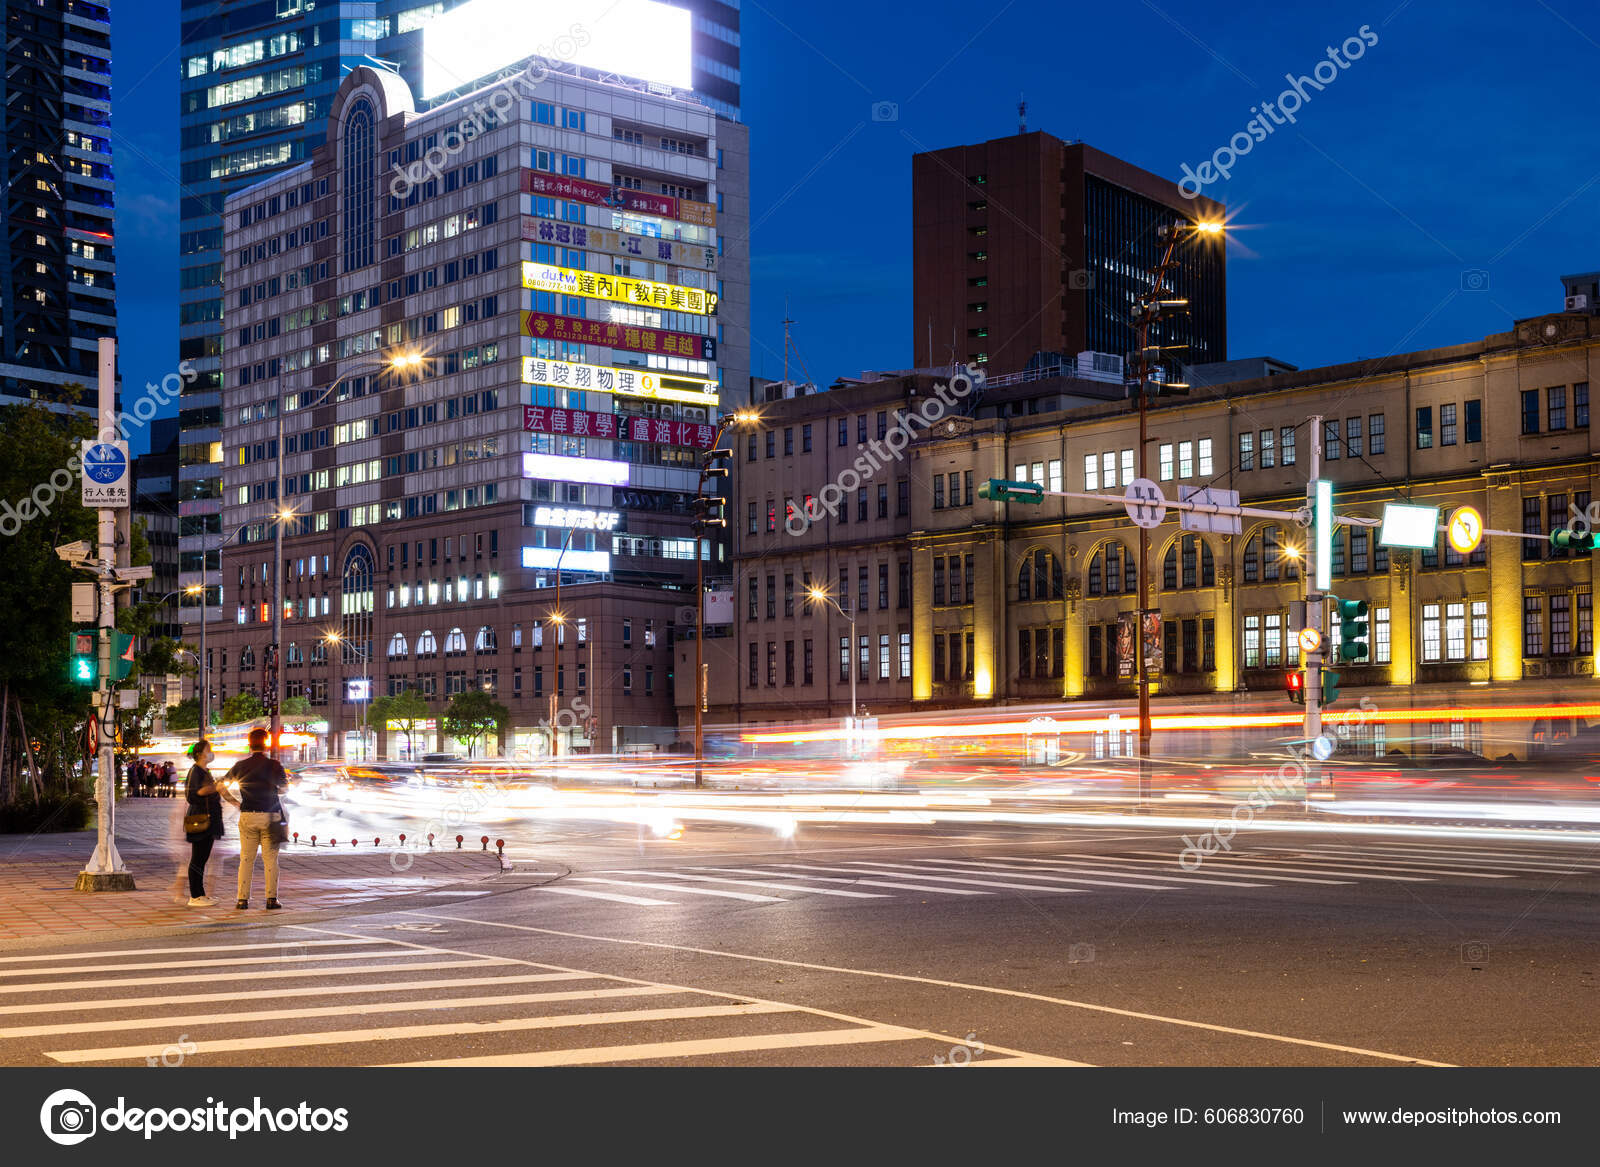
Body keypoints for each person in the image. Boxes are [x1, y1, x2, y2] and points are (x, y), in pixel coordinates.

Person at [223, 727, 288, 910]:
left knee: (246, 858)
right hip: (271, 816)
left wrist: (236, 803)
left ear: (249, 745)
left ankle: (242, 900)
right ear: (266, 743)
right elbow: (284, 789)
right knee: (270, 859)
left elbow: (221, 785)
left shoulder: (240, 766)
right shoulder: (275, 765)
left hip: (248, 815)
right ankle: (271, 899)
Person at [182, 740, 224, 907]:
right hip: (200, 819)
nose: (211, 752)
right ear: (200, 754)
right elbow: (198, 792)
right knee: (198, 858)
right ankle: (195, 896)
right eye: (209, 750)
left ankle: (201, 894)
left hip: (208, 818)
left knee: (203, 857)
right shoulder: (196, 771)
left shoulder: (204, 771)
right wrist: (216, 787)